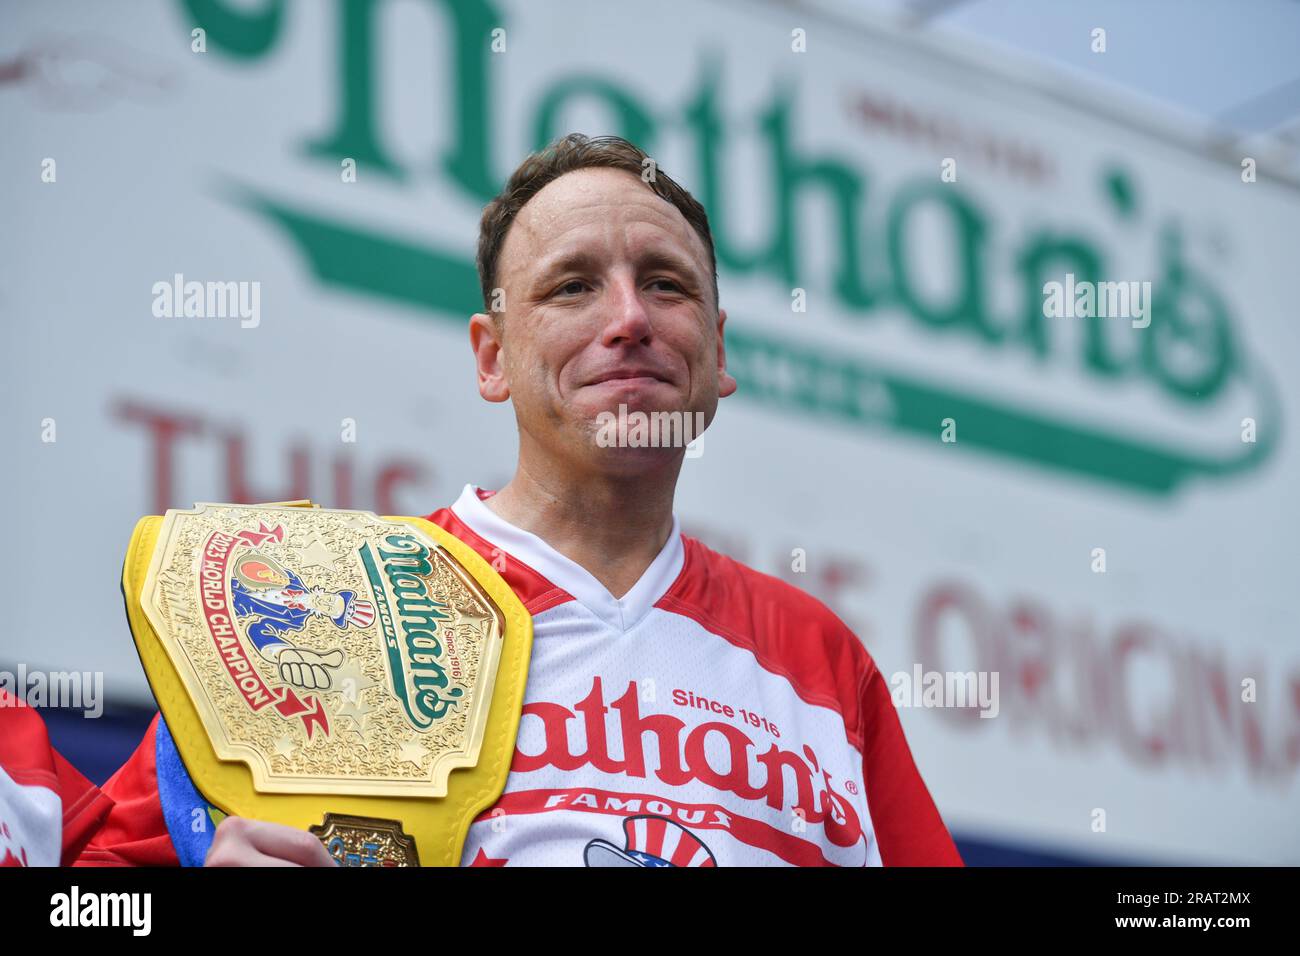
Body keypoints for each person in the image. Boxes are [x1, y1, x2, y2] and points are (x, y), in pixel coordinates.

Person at [74, 133, 962, 867]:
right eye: (573, 286)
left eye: (667, 283)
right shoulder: (325, 599)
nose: (630, 319)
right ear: (492, 357)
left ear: (718, 353)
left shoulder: (822, 659)